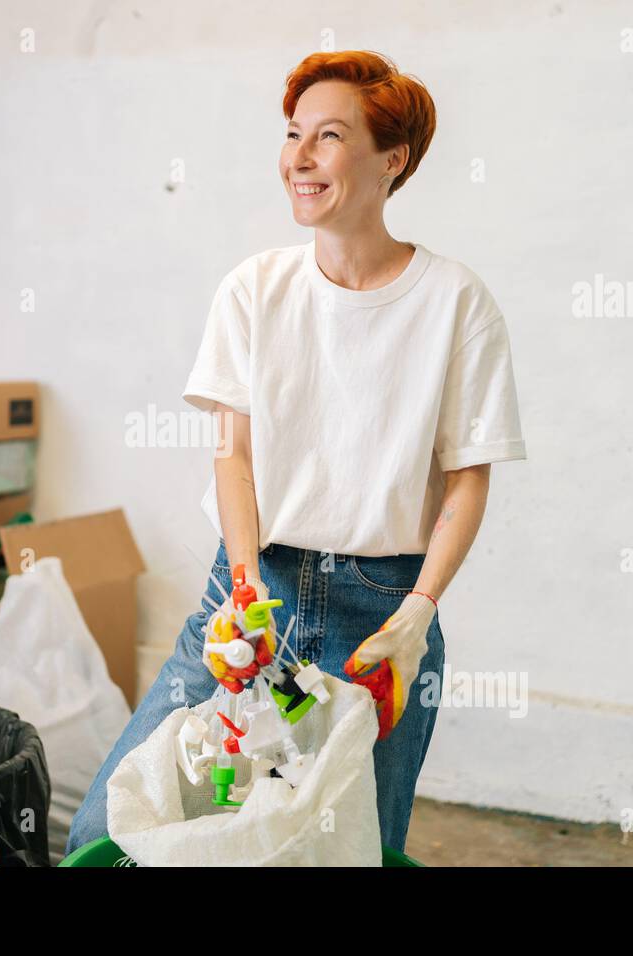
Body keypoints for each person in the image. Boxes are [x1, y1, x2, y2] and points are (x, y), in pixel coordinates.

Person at [67, 49, 526, 855]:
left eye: (329, 136)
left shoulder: (456, 302)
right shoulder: (254, 290)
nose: (299, 159)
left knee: (350, 847)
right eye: (292, 134)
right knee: (107, 827)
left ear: (393, 160)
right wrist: (243, 585)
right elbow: (233, 454)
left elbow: (466, 478)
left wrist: (417, 614)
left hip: (381, 616)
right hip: (252, 592)